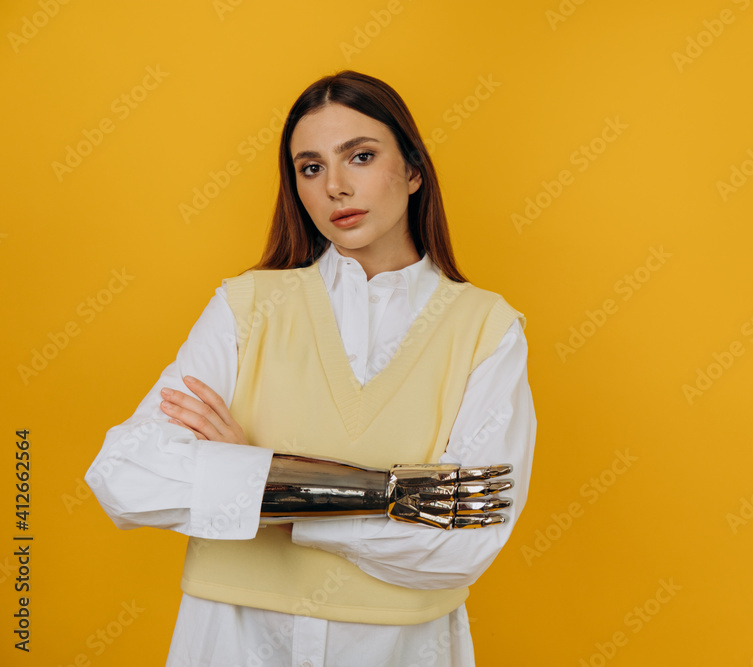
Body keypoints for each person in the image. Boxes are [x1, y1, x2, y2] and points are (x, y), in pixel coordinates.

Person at [85, 69, 536, 666]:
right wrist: (390, 495)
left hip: (399, 651)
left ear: (413, 170)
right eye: (311, 168)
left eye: (361, 156)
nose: (336, 187)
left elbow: (465, 542)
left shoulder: (487, 329)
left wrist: (256, 483)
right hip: (232, 642)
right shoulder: (247, 306)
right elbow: (123, 474)